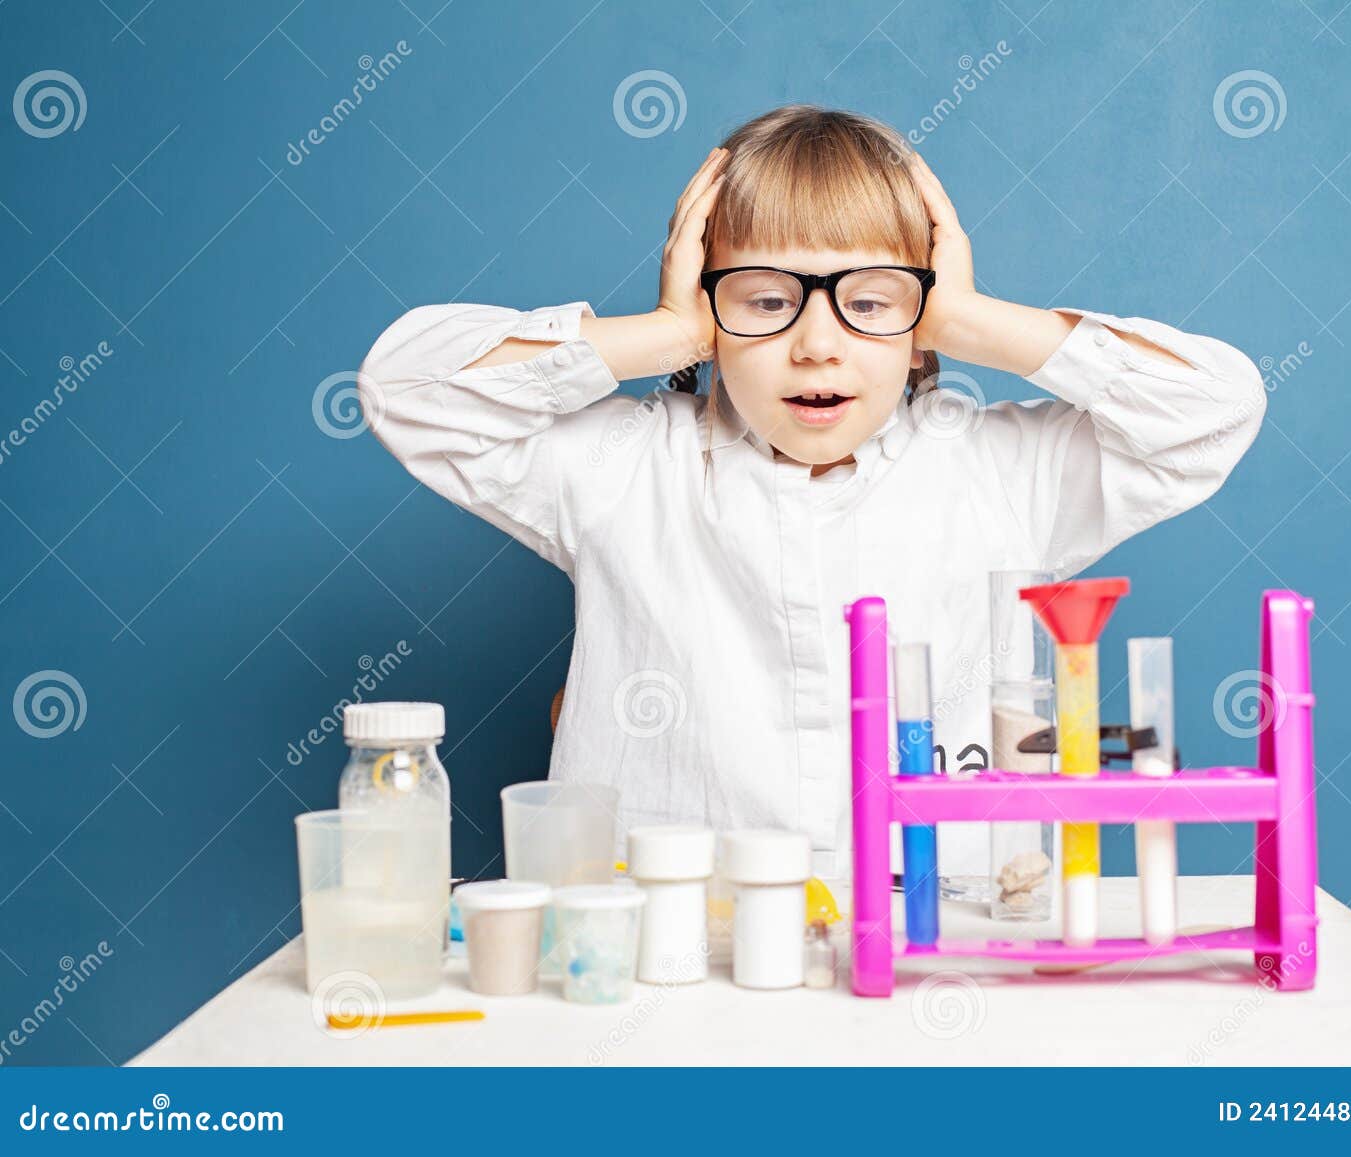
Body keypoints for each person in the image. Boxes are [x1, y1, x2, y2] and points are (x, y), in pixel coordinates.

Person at [358, 104, 1267, 877]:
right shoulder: (625, 468)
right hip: (669, 967)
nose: (818, 343)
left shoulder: (996, 472)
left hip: (941, 958)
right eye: (763, 299)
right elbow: (407, 390)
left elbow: (1215, 409)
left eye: (870, 301)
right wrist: (665, 333)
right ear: (708, 312)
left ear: (921, 321)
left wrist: (969, 320)